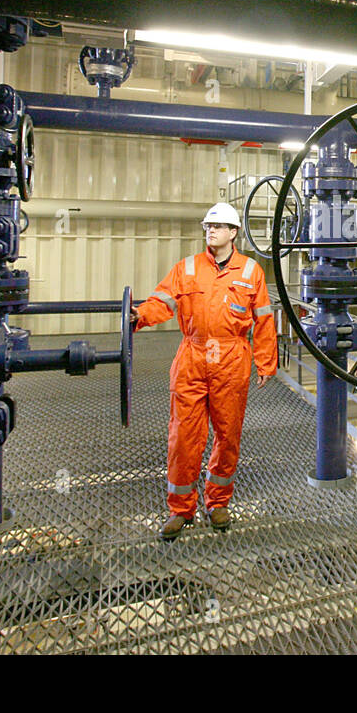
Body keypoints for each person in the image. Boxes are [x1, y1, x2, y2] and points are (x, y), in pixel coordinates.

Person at [130, 201, 278, 540]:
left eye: (218, 226)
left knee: (227, 435)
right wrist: (140, 315)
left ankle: (218, 502)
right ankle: (181, 509)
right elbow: (162, 302)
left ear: (233, 232)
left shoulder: (250, 271)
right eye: (208, 227)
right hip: (193, 356)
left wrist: (266, 361)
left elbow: (264, 319)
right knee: (184, 436)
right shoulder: (188, 268)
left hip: (232, 358)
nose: (210, 231)